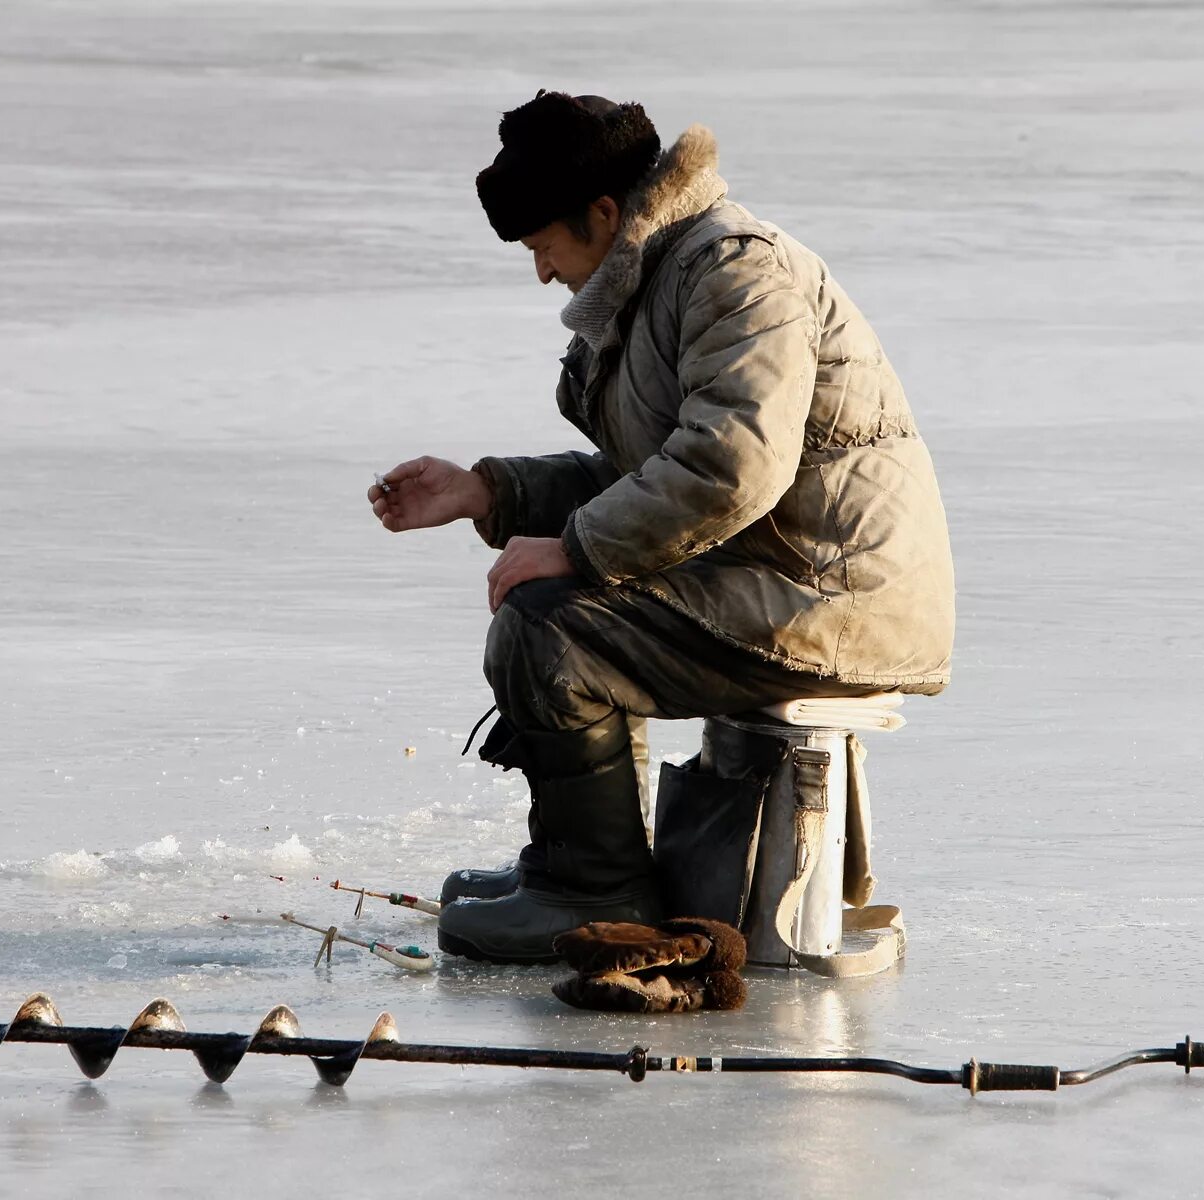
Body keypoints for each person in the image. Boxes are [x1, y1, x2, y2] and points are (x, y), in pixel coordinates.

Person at [368, 91, 955, 964]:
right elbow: (650, 480)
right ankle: (575, 863)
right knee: (555, 597)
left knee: (549, 629)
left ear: (605, 214)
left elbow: (731, 467)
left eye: (543, 245)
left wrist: (571, 548)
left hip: (831, 596)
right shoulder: (659, 280)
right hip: (775, 574)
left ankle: (591, 890)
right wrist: (488, 494)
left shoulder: (734, 274)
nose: (541, 271)